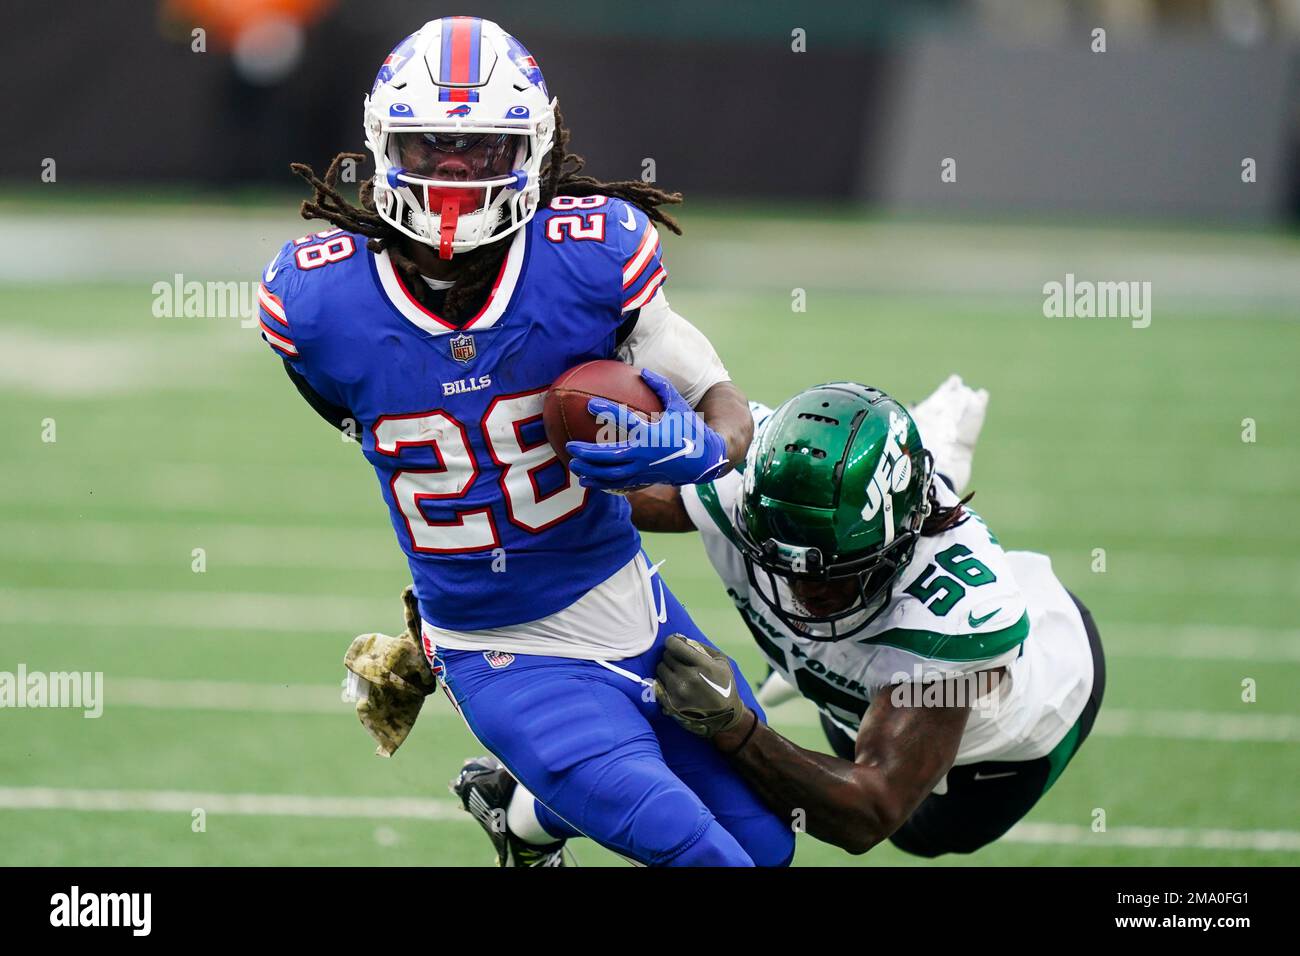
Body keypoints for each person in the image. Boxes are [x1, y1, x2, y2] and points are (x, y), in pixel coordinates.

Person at [261, 16, 793, 867]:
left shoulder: (588, 259)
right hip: (500, 646)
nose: (456, 169)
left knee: (767, 848)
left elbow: (719, 403)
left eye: (483, 147)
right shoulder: (319, 303)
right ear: (384, 144)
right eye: (433, 145)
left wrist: (706, 451)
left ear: (534, 150)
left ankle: (521, 820)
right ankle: (531, 789)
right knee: (710, 861)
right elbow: (362, 416)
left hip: (634, 606)